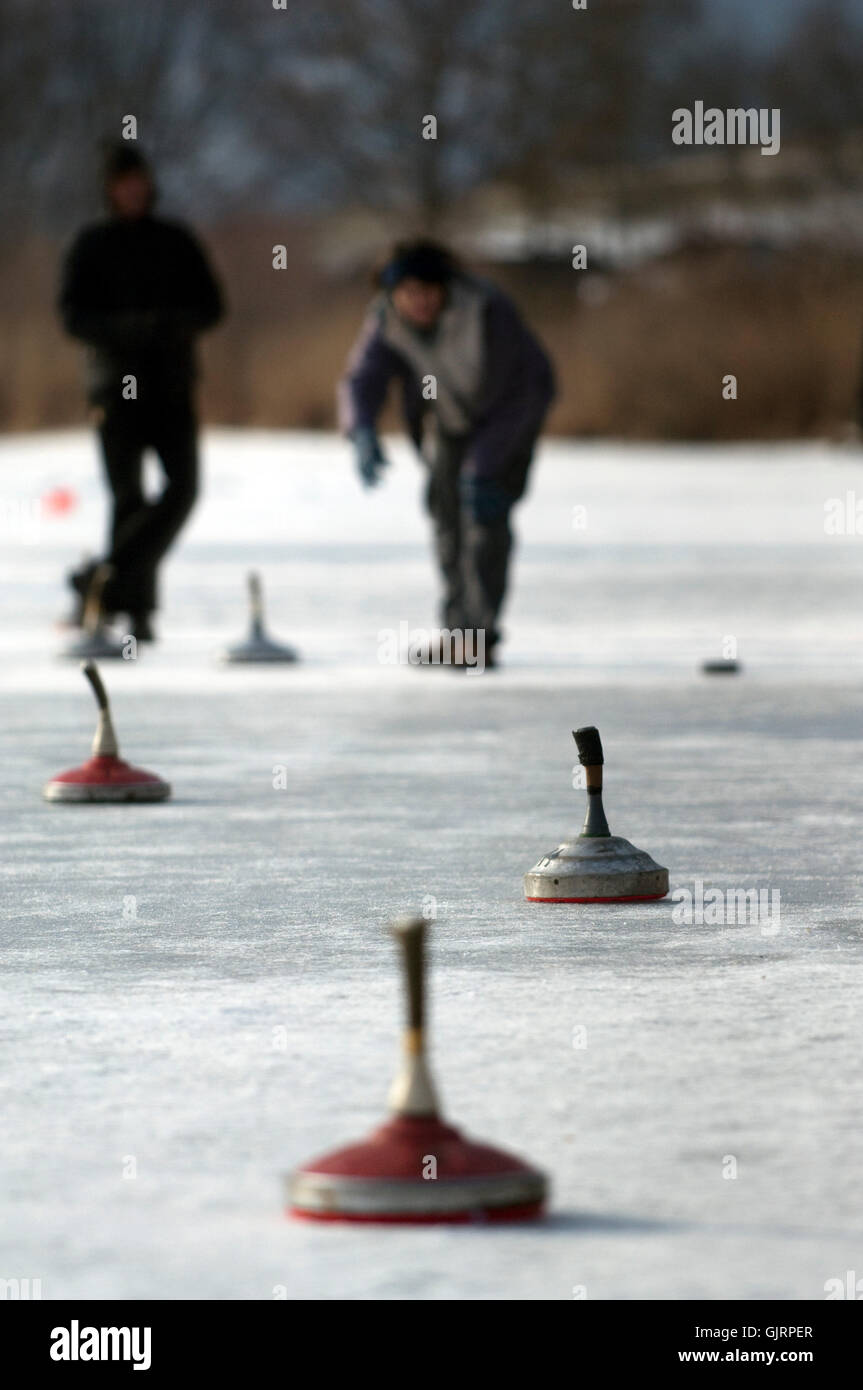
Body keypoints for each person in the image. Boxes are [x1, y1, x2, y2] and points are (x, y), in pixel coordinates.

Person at [339, 240, 555, 668]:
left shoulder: (487, 311)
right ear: (392, 293)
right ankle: (458, 631)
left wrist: (486, 468)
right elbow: (363, 378)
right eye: (409, 292)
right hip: (453, 421)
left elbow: (521, 392)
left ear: (446, 288)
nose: (420, 302)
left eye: (429, 291)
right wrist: (361, 429)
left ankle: (479, 637)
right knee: (445, 515)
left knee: (483, 516)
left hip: (512, 415)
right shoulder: (385, 321)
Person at [58, 143, 224, 640]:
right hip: (115, 387)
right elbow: (73, 317)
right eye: (123, 182)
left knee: (182, 489)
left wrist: (168, 326)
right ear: (111, 189)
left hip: (172, 385)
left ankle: (101, 583)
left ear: (149, 184)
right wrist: (126, 331)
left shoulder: (175, 239)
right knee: (127, 496)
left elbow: (213, 307)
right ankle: (134, 611)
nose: (132, 191)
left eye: (139, 181)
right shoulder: (91, 242)